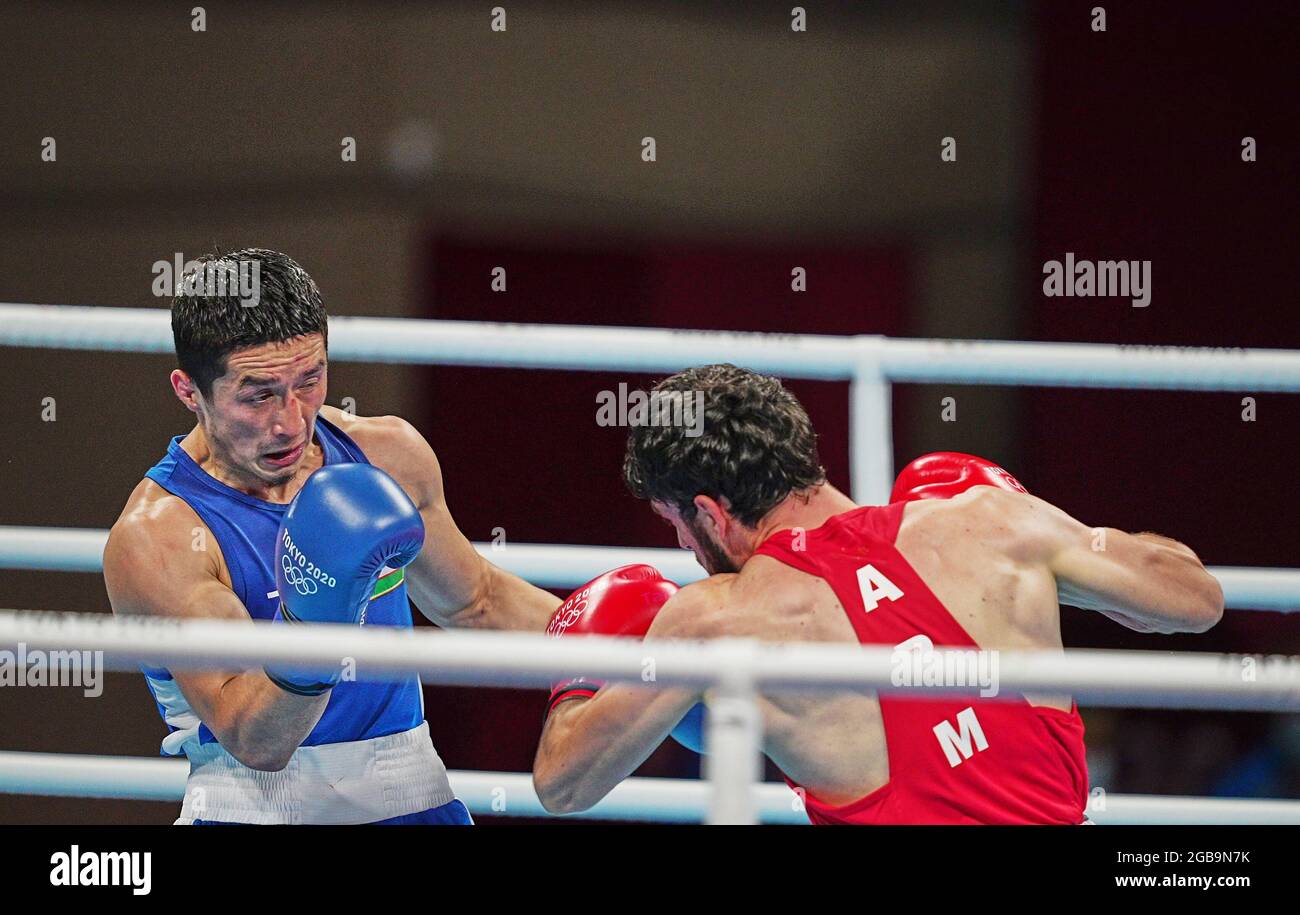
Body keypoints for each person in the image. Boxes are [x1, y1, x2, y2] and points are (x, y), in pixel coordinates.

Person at [533, 363, 1223, 824]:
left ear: (711, 515)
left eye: (678, 526)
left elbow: (563, 784)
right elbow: (1196, 598)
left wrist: (580, 664)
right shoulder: (989, 520)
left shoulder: (719, 619)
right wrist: (1048, 569)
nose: (686, 549)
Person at [103, 248, 560, 825]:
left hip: (415, 798)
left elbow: (476, 601)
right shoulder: (158, 536)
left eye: (310, 380)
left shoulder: (386, 454)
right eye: (258, 394)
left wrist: (630, 647)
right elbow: (256, 740)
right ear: (189, 392)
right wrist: (316, 623)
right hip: (252, 811)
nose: (291, 421)